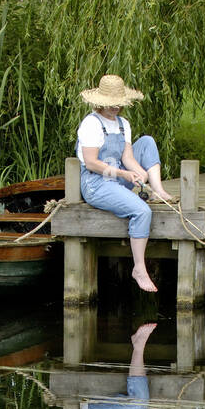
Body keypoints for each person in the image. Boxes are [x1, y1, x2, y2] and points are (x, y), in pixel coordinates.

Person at [76, 74, 175, 293]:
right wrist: (124, 174)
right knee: (142, 211)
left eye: (119, 104)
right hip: (97, 183)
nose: (115, 108)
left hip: (118, 178)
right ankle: (139, 268)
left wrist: (139, 172)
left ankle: (158, 190)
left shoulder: (123, 124)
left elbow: (128, 157)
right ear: (101, 102)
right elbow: (92, 163)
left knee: (147, 141)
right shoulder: (91, 124)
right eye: (111, 104)